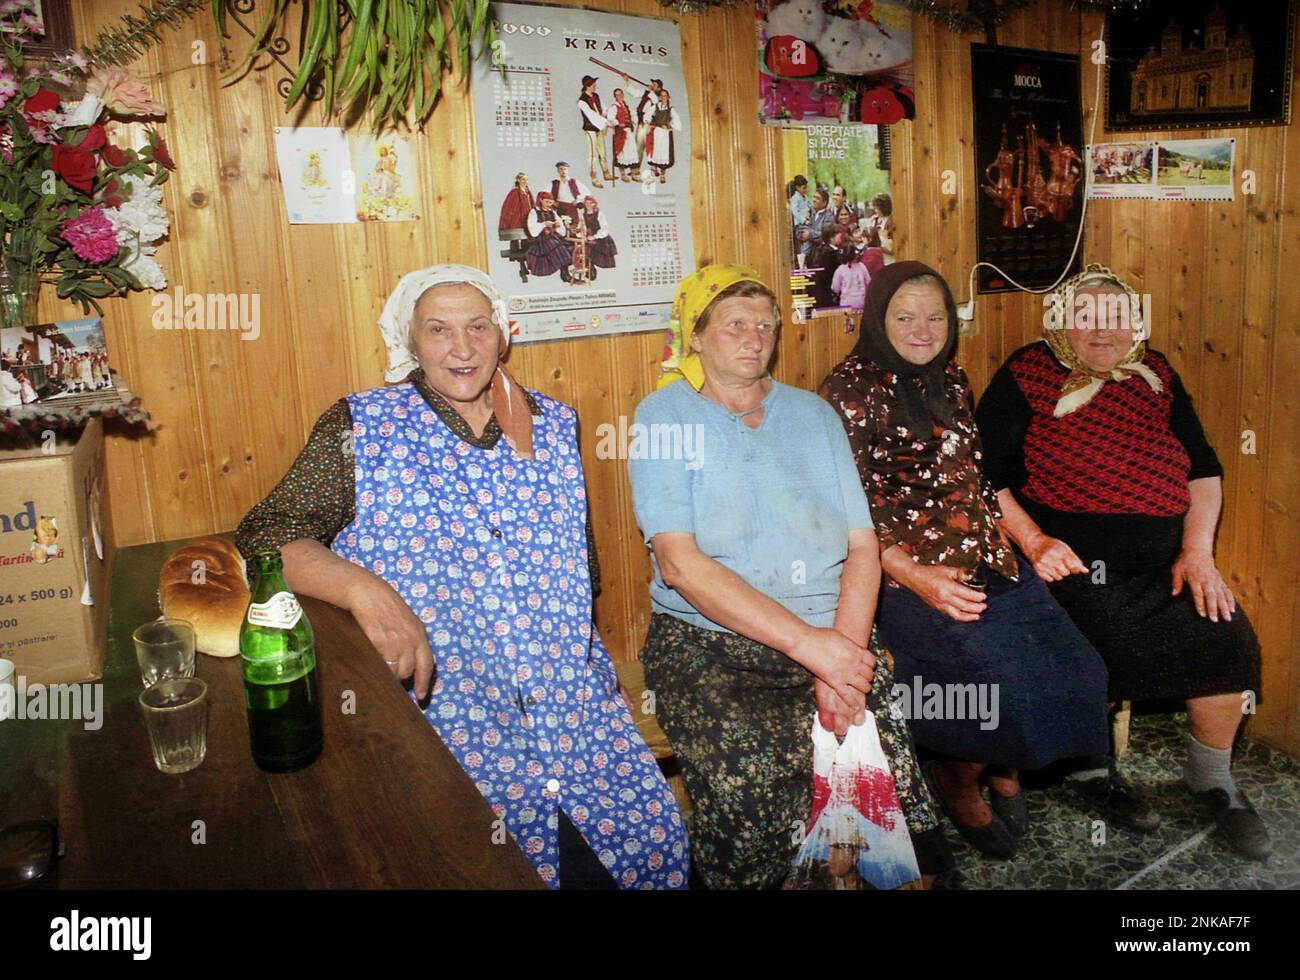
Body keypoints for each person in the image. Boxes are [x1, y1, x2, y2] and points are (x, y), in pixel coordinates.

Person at [235, 264, 689, 889]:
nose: (462, 347)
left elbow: (579, 568)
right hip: (450, 715)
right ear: (409, 342)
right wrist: (367, 592)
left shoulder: (553, 424)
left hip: (575, 710)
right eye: (438, 330)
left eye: (479, 326)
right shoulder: (362, 427)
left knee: (649, 852)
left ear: (503, 335)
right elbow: (266, 536)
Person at [820, 261, 1153, 860]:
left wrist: (1034, 542)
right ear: (877, 320)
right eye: (905, 316)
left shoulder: (952, 378)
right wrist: (916, 578)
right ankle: (960, 778)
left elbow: (983, 483)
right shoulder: (848, 391)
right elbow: (844, 509)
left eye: (935, 316)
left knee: (1078, 669)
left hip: (987, 555)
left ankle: (1006, 764)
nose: (923, 329)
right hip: (902, 572)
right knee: (995, 684)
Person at [629, 264, 947, 889]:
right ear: (695, 336)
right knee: (753, 800)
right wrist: (816, 652)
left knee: (866, 766)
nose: (753, 339)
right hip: (713, 642)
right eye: (733, 325)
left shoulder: (813, 416)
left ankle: (841, 874)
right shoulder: (661, 418)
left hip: (836, 629)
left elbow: (862, 544)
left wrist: (843, 654)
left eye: (765, 326)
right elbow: (681, 565)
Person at [975, 264, 1270, 860]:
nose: (1102, 331)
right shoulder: (1028, 372)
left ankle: (1211, 779)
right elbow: (987, 476)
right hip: (1075, 564)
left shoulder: (1154, 372)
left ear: (1135, 323)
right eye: (1086, 316)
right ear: (1061, 322)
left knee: (1226, 633)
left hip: (1167, 564)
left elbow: (1204, 468)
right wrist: (1034, 543)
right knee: (1101, 634)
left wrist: (1197, 553)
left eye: (1116, 317)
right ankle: (1090, 773)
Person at [524, 192, 574, 282]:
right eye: (547, 202)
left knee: (569, 245)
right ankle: (565, 274)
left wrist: (558, 225)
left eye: (550, 203)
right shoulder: (534, 212)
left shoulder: (552, 212)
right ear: (541, 200)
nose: (549, 205)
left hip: (553, 236)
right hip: (541, 240)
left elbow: (562, 232)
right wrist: (544, 224)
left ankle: (565, 271)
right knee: (557, 245)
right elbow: (532, 231)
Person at [497, 172, 535, 282]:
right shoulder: (514, 192)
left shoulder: (527, 191)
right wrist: (510, 220)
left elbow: (532, 204)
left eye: (526, 179)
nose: (525, 181)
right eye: (522, 179)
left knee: (528, 242)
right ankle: (522, 265)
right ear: (518, 180)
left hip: (527, 219)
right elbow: (509, 207)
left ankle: (528, 264)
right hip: (518, 220)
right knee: (518, 243)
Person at [577, 75, 613, 188]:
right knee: (592, 154)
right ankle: (594, 178)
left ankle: (606, 173)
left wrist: (605, 115)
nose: (595, 86)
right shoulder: (581, 101)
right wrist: (606, 122)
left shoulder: (596, 96)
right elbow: (592, 116)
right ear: (587, 86)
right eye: (593, 85)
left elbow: (604, 108)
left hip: (599, 127)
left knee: (602, 152)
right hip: (590, 129)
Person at [644, 89, 681, 183]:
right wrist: (650, 123)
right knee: (655, 152)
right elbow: (647, 116)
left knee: (664, 153)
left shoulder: (671, 109)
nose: (663, 98)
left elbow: (677, 122)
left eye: (665, 96)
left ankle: (663, 174)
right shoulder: (655, 107)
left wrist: (669, 126)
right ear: (659, 97)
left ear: (668, 97)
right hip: (656, 133)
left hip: (665, 135)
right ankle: (654, 170)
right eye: (662, 96)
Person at [606, 88, 639, 182]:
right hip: (620, 133)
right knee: (621, 153)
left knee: (631, 151)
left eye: (620, 94)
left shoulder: (626, 106)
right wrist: (618, 123)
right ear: (615, 97)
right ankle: (623, 174)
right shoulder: (614, 107)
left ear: (623, 94)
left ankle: (633, 174)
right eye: (617, 95)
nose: (619, 96)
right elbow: (610, 118)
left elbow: (633, 115)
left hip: (629, 132)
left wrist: (634, 120)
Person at [581, 196, 617, 274]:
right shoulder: (584, 214)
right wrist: (583, 234)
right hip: (590, 236)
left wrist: (595, 236)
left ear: (594, 204)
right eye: (586, 203)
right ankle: (589, 269)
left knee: (593, 252)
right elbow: (583, 226)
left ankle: (592, 270)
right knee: (584, 250)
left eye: (591, 203)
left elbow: (605, 228)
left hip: (601, 238)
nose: (588, 205)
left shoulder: (599, 214)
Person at [797, 187, 835, 259]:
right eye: (813, 197)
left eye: (817, 198)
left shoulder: (829, 217)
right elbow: (799, 231)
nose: (814, 200)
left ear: (824, 203)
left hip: (820, 256)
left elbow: (825, 235)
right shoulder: (808, 212)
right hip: (805, 254)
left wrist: (810, 235)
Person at [831, 246, 870, 314]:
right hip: (861, 302)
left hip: (846, 303)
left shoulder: (840, 269)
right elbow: (869, 282)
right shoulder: (862, 266)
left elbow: (835, 288)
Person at [863, 193, 894, 263]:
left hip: (887, 258)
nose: (875, 209)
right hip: (873, 257)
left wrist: (877, 240)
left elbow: (891, 246)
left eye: (877, 207)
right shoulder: (873, 219)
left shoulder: (890, 221)